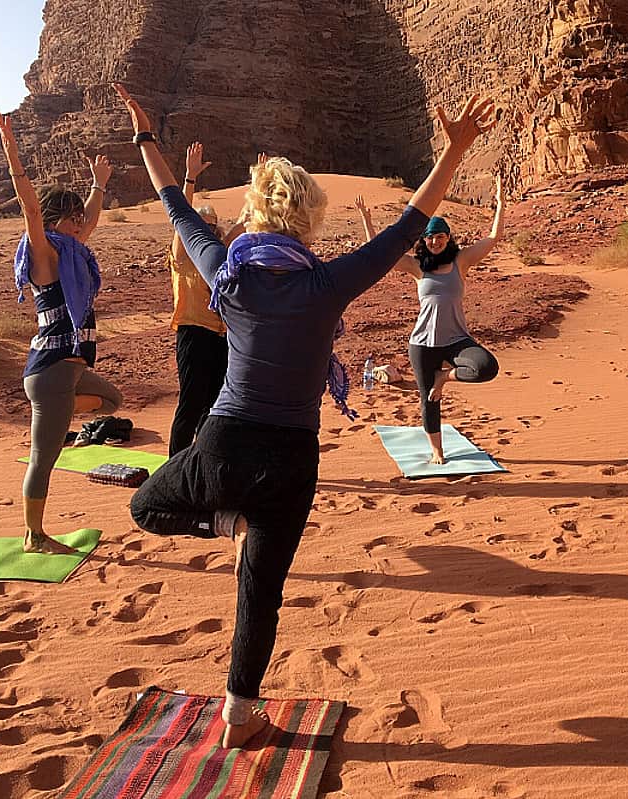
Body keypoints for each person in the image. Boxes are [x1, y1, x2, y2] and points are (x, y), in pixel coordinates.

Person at [114, 83, 495, 748]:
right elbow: (411, 221)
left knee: (147, 507)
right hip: (294, 457)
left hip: (225, 442)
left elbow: (175, 207)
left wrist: (147, 136)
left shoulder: (226, 274)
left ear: (257, 208)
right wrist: (456, 150)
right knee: (260, 588)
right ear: (311, 217)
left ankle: (224, 524)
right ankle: (240, 709)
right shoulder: (328, 281)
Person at [0, 110, 123, 554]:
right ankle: (34, 535)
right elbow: (30, 206)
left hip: (69, 373)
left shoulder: (73, 249)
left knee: (112, 401)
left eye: (76, 218)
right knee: (43, 459)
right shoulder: (46, 254)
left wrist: (98, 184)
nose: (78, 224)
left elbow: (88, 222)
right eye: (68, 218)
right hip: (50, 373)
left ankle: (58, 416)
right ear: (53, 221)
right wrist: (13, 153)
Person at [355, 175, 503, 464]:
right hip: (423, 343)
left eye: (441, 236)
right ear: (424, 240)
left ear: (448, 238)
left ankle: (443, 376)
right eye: (430, 237)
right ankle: (437, 451)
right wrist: (366, 220)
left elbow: (493, 238)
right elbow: (378, 254)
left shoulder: (461, 260)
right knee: (429, 399)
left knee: (487, 367)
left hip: (457, 340)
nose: (435, 241)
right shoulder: (416, 266)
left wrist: (500, 206)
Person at [165, 142, 246, 456]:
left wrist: (260, 184)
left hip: (220, 337)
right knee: (191, 403)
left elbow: (241, 225)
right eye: (203, 227)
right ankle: (175, 467)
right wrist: (189, 179)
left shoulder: (218, 255)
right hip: (193, 333)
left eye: (213, 227)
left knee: (215, 404)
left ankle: (204, 463)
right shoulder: (183, 254)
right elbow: (180, 216)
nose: (209, 231)